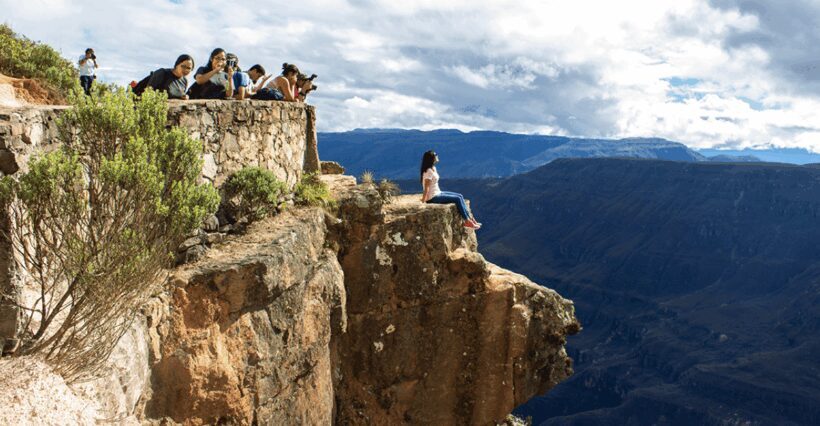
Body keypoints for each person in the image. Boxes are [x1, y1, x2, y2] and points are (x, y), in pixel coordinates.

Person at [420, 150, 482, 229]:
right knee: (457, 199)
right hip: (432, 197)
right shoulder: (428, 171)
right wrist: (424, 200)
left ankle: (471, 219)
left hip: (438, 192)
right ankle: (467, 221)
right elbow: (426, 187)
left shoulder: (433, 168)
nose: (437, 155)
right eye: (435, 154)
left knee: (460, 196)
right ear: (431, 158)